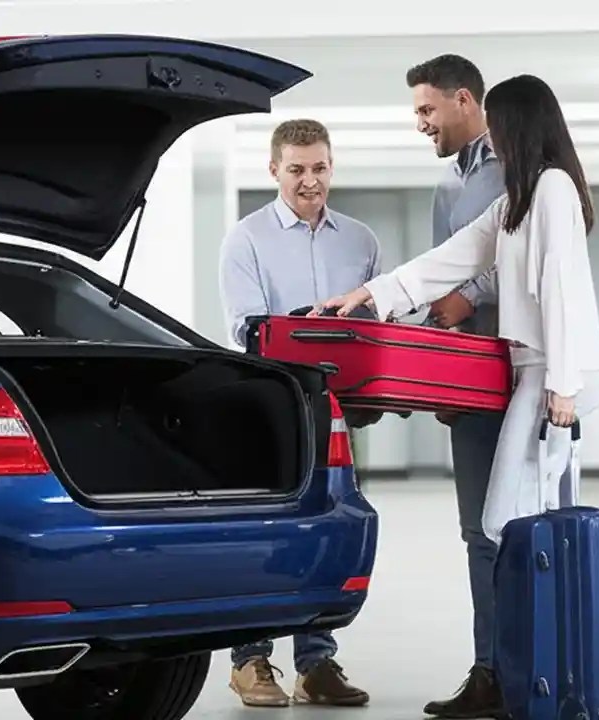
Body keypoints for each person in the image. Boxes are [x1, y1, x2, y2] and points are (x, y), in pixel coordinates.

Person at [312, 74, 599, 717]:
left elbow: (562, 287)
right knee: (516, 525)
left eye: (500, 123)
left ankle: (533, 672)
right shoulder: (518, 200)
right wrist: (372, 296)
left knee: (507, 522)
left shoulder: (552, 188)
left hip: (551, 375)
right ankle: (524, 675)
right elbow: (451, 257)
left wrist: (562, 384)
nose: (493, 136)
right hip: (528, 371)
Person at [217, 118, 379, 708]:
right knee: (267, 535)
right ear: (274, 170)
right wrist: (310, 327)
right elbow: (246, 326)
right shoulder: (248, 238)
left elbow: (370, 327)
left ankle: (317, 662)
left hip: (335, 414)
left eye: (319, 168)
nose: (310, 181)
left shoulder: (359, 240)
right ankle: (250, 659)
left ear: (331, 166)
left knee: (327, 529)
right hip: (270, 408)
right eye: (296, 170)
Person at [404, 54, 513, 720]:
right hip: (471, 384)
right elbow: (435, 277)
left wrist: (469, 299)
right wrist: (438, 368)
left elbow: (532, 256)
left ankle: (541, 665)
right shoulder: (448, 188)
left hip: (526, 373)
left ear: (463, 100)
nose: (420, 124)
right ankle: (490, 673)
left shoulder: (525, 166)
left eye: (426, 110)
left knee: (530, 530)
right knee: (479, 532)